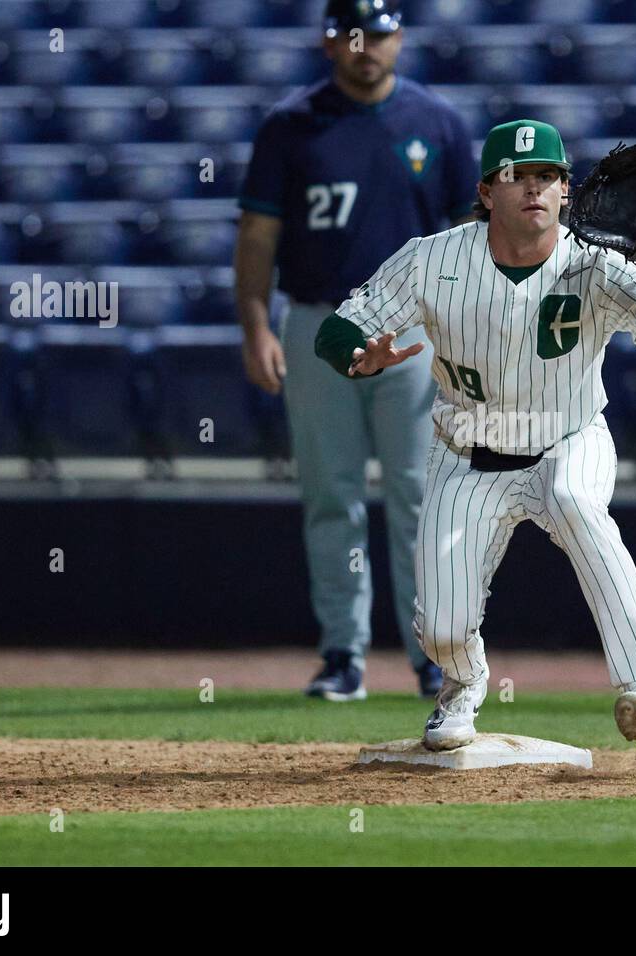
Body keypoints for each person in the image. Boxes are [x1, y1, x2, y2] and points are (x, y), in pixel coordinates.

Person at [314, 120, 636, 771]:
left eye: (547, 176)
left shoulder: (597, 261)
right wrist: (360, 355)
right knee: (440, 623)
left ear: (566, 191)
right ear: (485, 191)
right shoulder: (433, 259)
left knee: (579, 505)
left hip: (568, 439)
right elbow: (339, 327)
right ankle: (463, 686)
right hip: (467, 455)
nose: (533, 188)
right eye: (515, 176)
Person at [234, 0, 479, 701]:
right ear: (329, 41)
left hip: (410, 329)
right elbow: (257, 236)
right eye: (350, 33)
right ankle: (343, 653)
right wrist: (255, 324)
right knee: (331, 495)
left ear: (398, 38)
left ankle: (432, 650)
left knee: (418, 494)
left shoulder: (438, 124)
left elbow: (469, 237)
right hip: (317, 322)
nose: (364, 46)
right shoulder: (291, 125)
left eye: (377, 32)